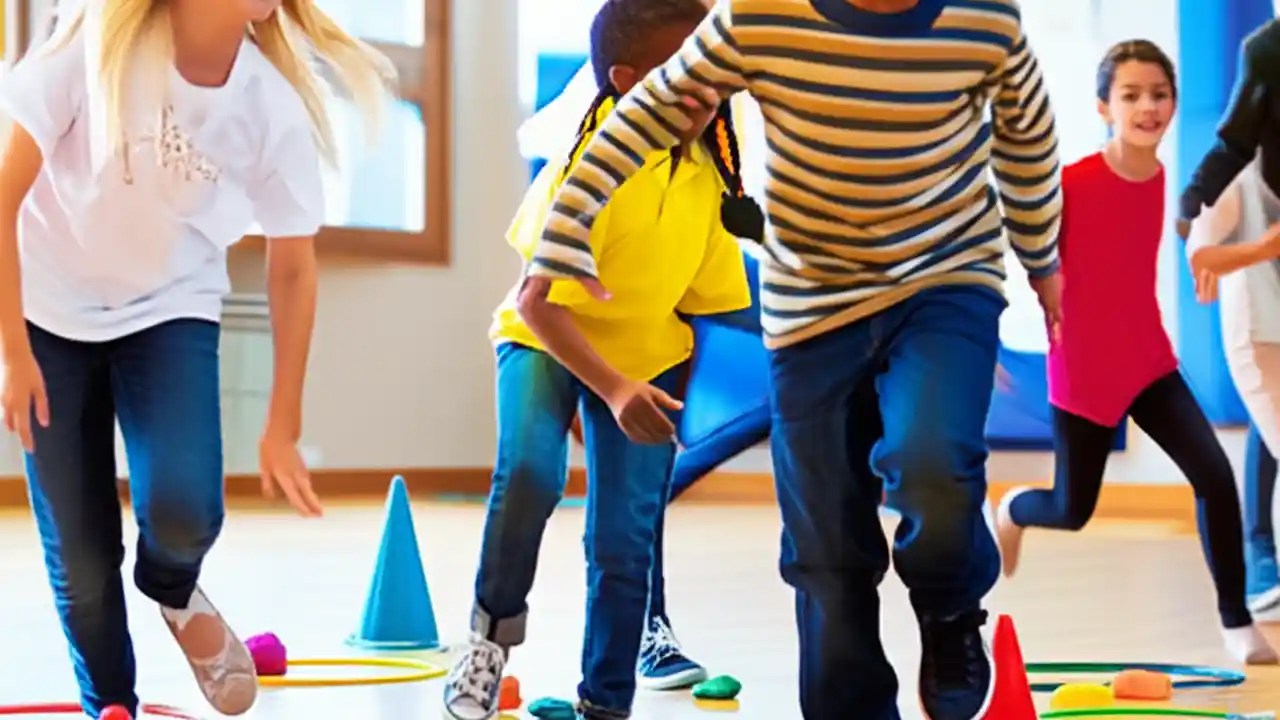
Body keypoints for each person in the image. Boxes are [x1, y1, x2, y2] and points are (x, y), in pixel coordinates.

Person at [519, 0, 1066, 717]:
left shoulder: (983, 19)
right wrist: (566, 230)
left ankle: (952, 608)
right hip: (813, 303)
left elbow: (1025, 139)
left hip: (945, 280)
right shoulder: (757, 17)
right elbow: (642, 113)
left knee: (932, 465)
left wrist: (1042, 258)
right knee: (824, 546)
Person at [0, 1, 394, 718]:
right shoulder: (93, 41)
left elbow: (295, 266)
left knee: (187, 512)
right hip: (47, 315)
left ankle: (174, 588)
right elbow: (2, 198)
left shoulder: (267, 103)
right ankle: (110, 703)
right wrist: (13, 351)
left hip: (168, 308)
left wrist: (282, 425)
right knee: (83, 565)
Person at [442, 2, 758, 718]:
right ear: (628, 80)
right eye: (688, 70)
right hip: (547, 340)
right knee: (529, 470)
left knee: (625, 536)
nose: (709, 85)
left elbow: (715, 300)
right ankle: (487, 645)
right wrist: (615, 391)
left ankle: (606, 703)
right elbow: (536, 304)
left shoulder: (707, 177)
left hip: (645, 358)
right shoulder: (587, 168)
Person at [995, 40, 1277, 665]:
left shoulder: (1159, 178)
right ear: (1104, 107)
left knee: (1214, 477)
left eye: (1159, 94)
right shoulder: (1070, 184)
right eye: (1131, 95)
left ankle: (1236, 621)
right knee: (1072, 510)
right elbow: (1011, 239)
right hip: (1085, 371)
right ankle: (1014, 507)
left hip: (1148, 360)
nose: (1148, 107)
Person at [1183, 153, 1280, 625]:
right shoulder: (1242, 172)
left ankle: (1261, 551)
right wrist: (1249, 251)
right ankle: (1259, 552)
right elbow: (1199, 242)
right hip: (1260, 333)